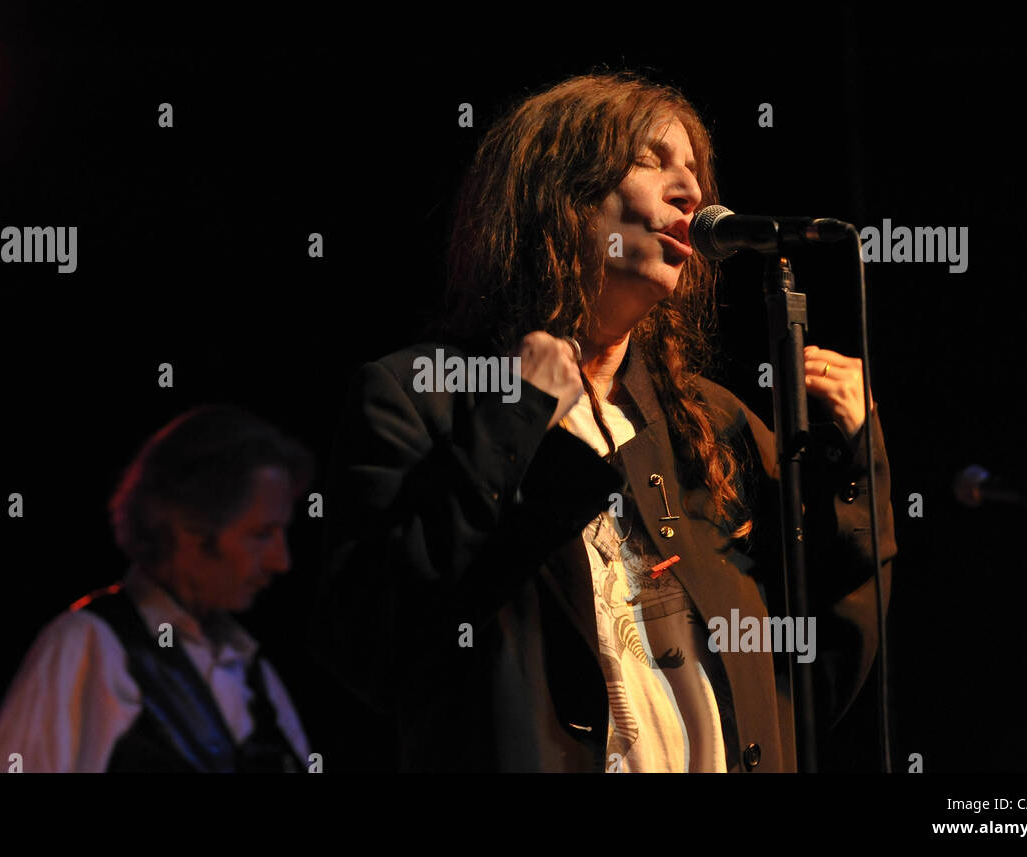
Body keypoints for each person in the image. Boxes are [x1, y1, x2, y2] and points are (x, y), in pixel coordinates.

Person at [316, 71, 898, 772]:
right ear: (560, 191)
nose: (691, 191)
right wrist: (513, 418)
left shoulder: (713, 423)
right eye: (653, 161)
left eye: (694, 171)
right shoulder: (422, 396)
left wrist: (857, 465)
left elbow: (818, 657)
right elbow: (375, 645)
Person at [0, 405, 314, 772]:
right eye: (261, 535)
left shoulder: (253, 672)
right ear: (188, 528)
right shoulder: (87, 645)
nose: (282, 561)